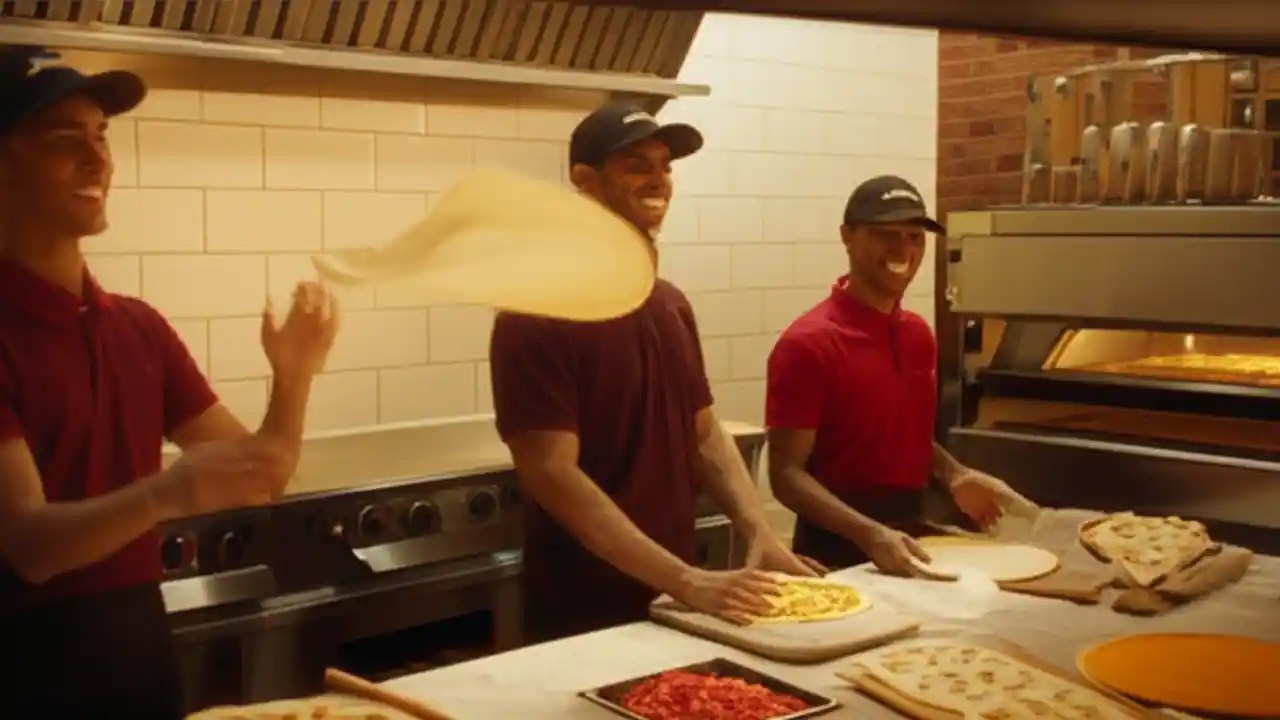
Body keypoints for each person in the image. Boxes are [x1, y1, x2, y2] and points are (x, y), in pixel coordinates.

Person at [0, 49, 338, 715]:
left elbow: (262, 475)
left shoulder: (136, 327)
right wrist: (162, 495)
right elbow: (29, 545)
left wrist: (293, 378)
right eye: (65, 140)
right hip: (24, 664)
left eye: (101, 136)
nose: (100, 161)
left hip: (139, 644)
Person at [488, 101, 823, 642]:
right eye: (638, 165)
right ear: (585, 181)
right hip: (583, 617)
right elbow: (553, 473)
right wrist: (687, 580)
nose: (659, 179)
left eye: (665, 165)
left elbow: (705, 432)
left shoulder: (667, 304)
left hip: (677, 606)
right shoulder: (535, 314)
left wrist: (758, 529)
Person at [765, 175, 1017, 575]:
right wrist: (870, 534)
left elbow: (905, 433)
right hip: (837, 549)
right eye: (887, 235)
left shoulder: (918, 335)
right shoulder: (809, 344)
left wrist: (955, 474)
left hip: (912, 535)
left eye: (914, 237)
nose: (904, 249)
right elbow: (785, 476)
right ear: (847, 236)